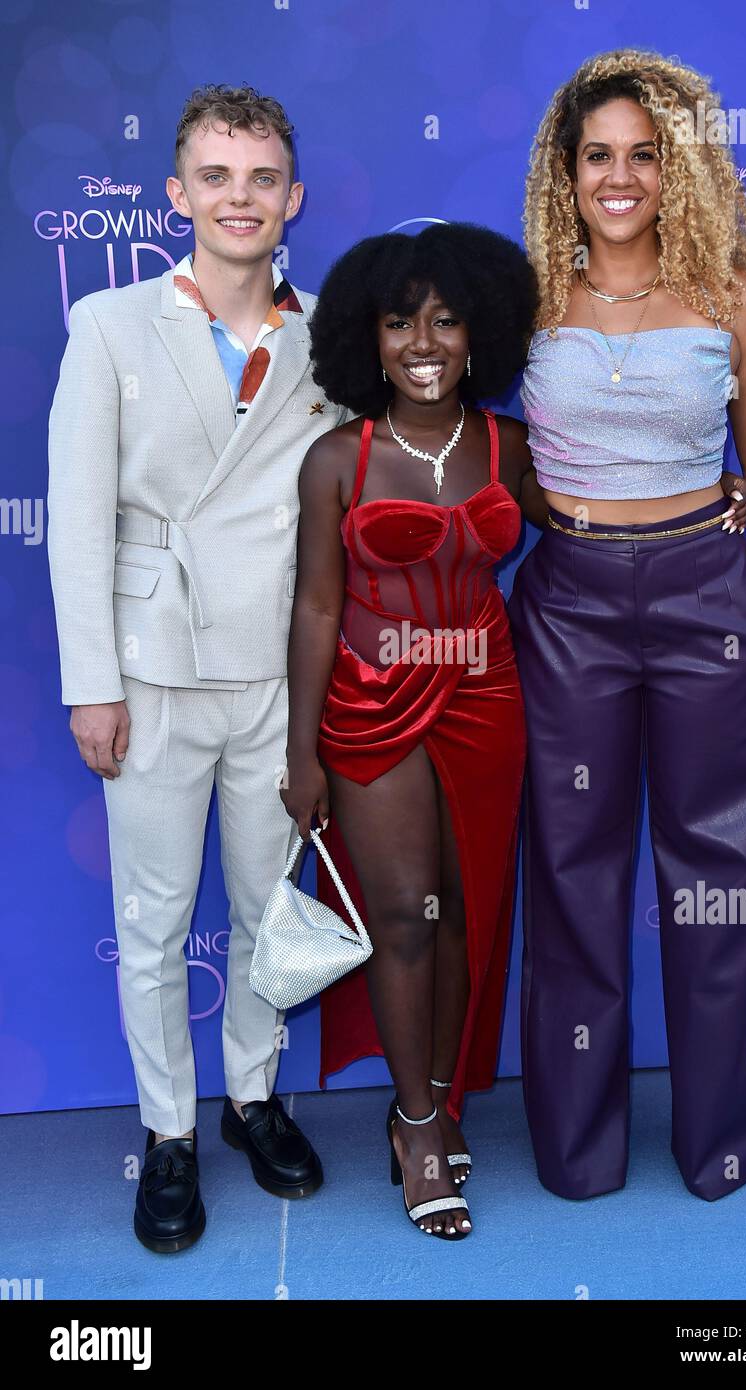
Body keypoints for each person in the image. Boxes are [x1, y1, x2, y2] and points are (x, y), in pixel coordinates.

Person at [47, 84, 352, 1252]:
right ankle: (168, 1134)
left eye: (262, 177)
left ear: (293, 199)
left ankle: (252, 1101)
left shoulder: (332, 333)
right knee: (157, 914)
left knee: (269, 905)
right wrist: (93, 682)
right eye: (216, 177)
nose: (241, 197)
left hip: (279, 667)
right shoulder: (111, 326)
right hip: (151, 665)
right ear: (177, 195)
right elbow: (77, 521)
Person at [507, 49, 746, 1202]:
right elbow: (496, 452)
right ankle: (578, 1151)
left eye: (643, 155)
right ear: (563, 171)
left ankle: (716, 1135)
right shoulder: (523, 294)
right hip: (570, 599)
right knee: (574, 878)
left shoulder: (732, 296)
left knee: (716, 880)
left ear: (677, 169)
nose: (618, 177)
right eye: (597, 156)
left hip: (708, 599)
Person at [281, 223, 544, 1239]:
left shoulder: (507, 446)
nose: (423, 341)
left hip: (485, 699)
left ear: (480, 334)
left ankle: (435, 1088)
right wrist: (301, 754)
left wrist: (715, 499)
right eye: (400, 322)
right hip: (371, 704)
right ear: (368, 339)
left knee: (468, 913)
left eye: (444, 319)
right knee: (402, 917)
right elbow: (313, 608)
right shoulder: (333, 460)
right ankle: (421, 1126)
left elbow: (585, 524)